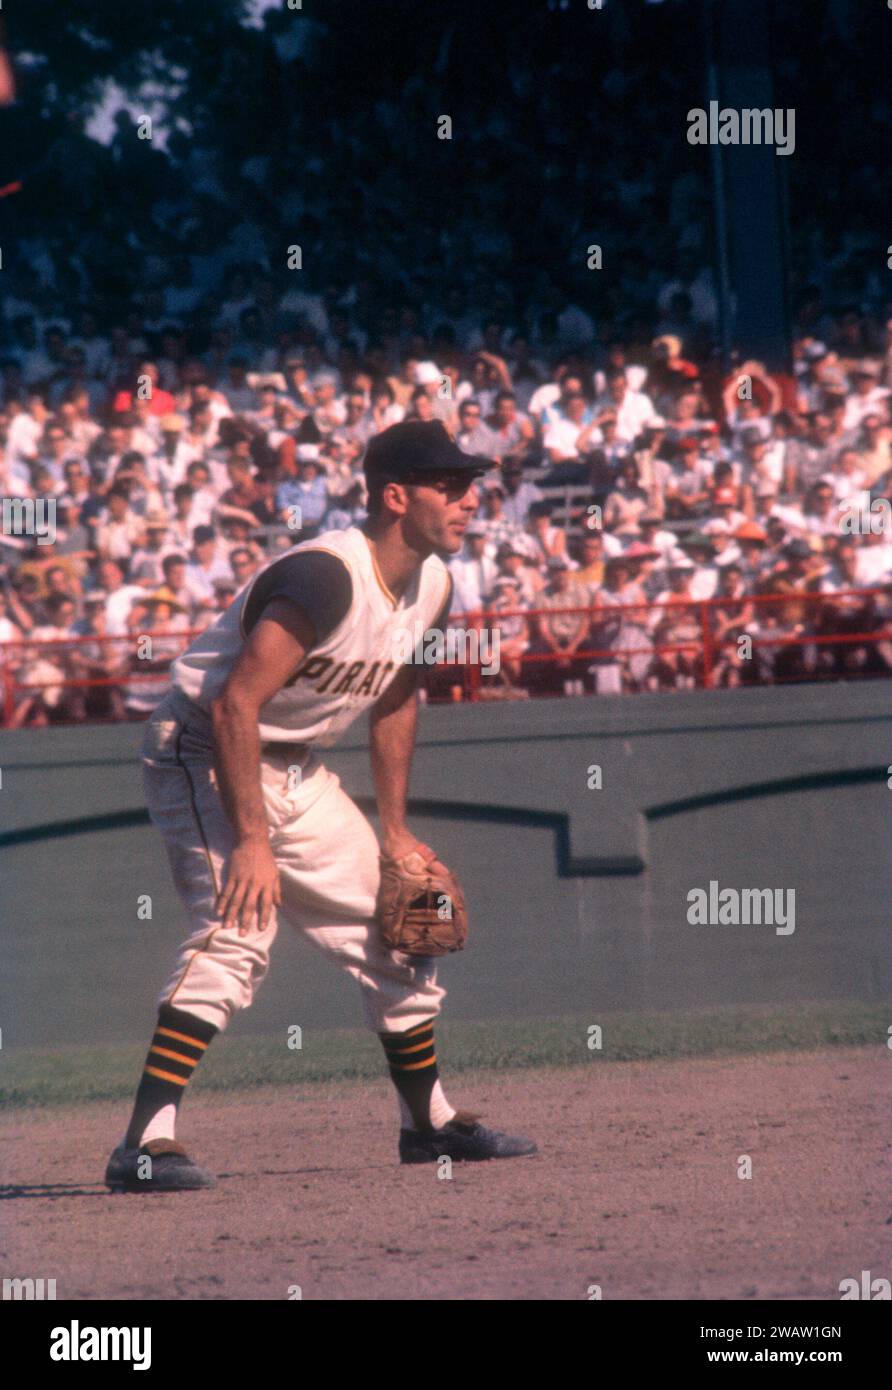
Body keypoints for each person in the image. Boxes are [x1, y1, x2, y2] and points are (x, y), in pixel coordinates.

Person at [104, 420, 536, 1193]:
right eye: (451, 485)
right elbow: (237, 703)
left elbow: (396, 700)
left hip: (293, 769)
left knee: (403, 923)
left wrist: (395, 832)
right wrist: (252, 842)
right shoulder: (327, 575)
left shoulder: (433, 581)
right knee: (237, 933)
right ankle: (143, 1143)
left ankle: (427, 1124)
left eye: (472, 485)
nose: (471, 500)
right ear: (396, 496)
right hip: (202, 750)